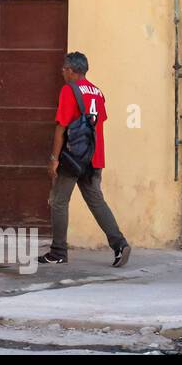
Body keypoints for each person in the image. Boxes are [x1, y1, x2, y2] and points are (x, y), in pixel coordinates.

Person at [38, 51, 132, 267]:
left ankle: (58, 251)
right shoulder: (98, 93)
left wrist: (54, 158)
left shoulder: (69, 90)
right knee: (96, 201)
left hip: (73, 158)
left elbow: (61, 127)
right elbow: (99, 123)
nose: (62, 71)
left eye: (64, 68)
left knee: (59, 201)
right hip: (94, 156)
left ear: (72, 70)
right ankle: (120, 244)